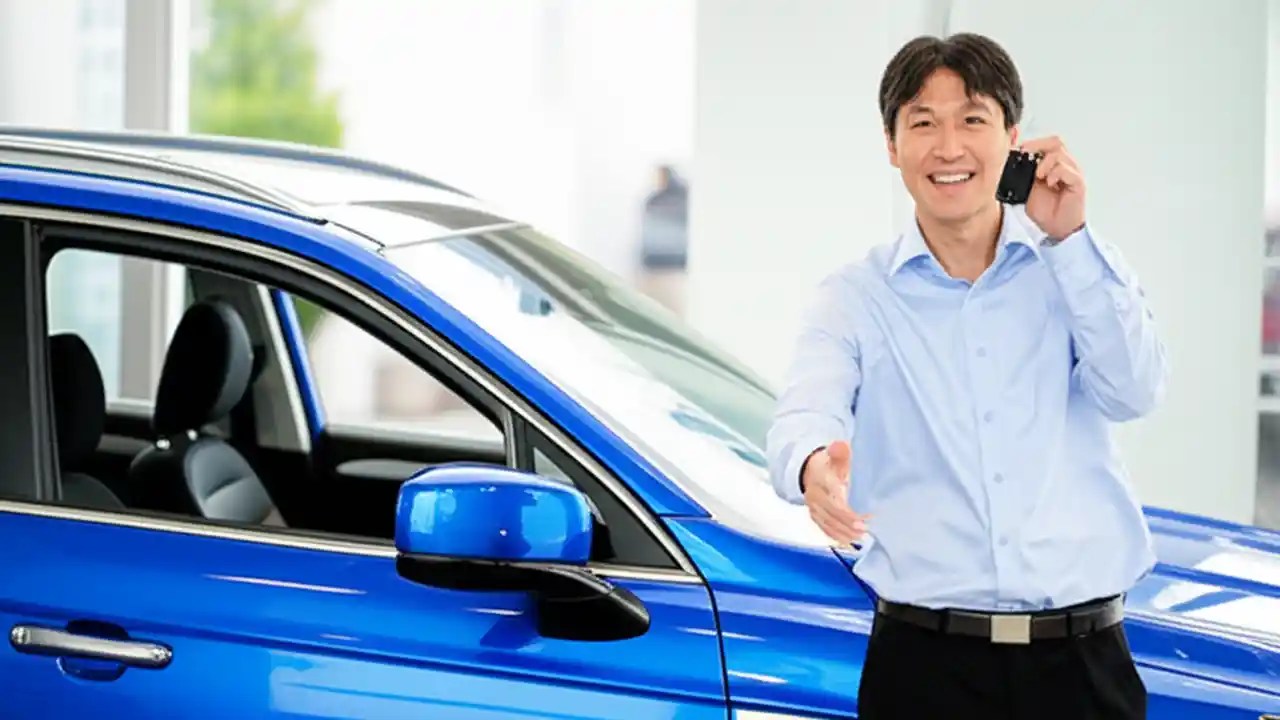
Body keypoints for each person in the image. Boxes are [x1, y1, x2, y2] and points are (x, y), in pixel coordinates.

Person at [766, 32, 1167, 719]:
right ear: (892, 146)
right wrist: (812, 468)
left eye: (973, 120)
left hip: (1083, 667)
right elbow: (805, 409)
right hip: (925, 670)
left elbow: (1133, 391)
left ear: (1014, 137)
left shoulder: (1072, 270)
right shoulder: (856, 296)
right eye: (923, 123)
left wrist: (1070, 239)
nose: (948, 147)